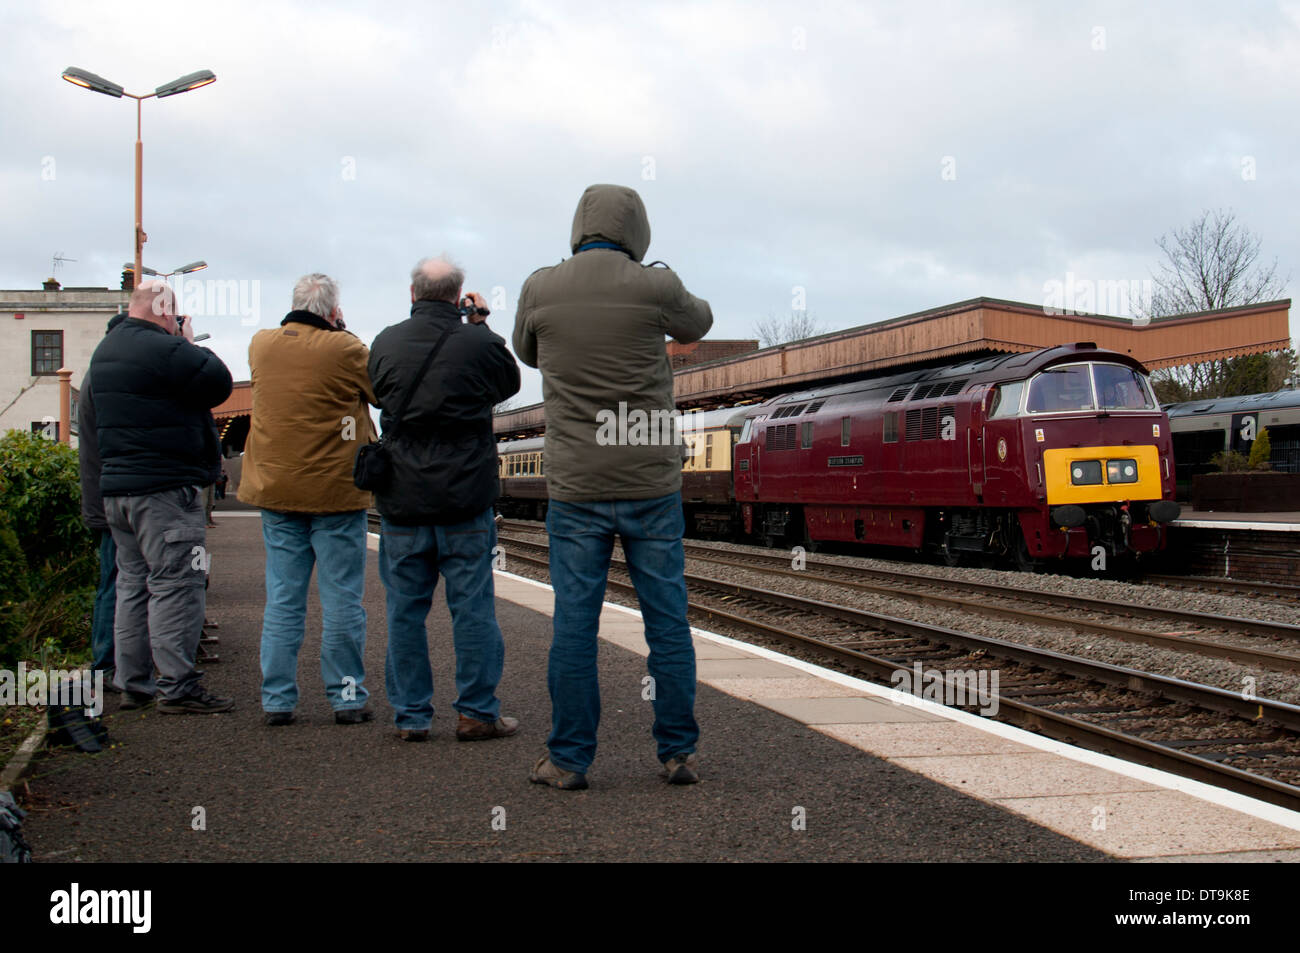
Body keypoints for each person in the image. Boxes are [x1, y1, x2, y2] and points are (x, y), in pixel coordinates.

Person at [514, 184, 713, 789]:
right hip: (649, 481)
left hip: (576, 487)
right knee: (667, 621)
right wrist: (662, 276)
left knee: (575, 625)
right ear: (637, 229)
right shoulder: (654, 285)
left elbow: (525, 350)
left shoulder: (540, 285)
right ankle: (677, 752)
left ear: (578, 226)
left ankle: (569, 760)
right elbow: (699, 323)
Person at [368, 256, 520, 742]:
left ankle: (412, 715)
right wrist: (480, 323)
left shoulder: (385, 342)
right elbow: (509, 383)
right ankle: (476, 712)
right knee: (473, 608)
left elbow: (377, 394)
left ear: (412, 294)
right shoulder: (479, 342)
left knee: (404, 611)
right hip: (465, 498)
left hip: (403, 500)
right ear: (460, 296)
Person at [238, 273, 377, 726]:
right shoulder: (345, 348)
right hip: (335, 493)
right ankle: (347, 698)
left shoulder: (261, 344)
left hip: (277, 491)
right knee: (341, 601)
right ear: (334, 311)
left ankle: (277, 700)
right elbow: (379, 390)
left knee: (283, 598)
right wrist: (343, 331)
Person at [90, 281, 234, 713]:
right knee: (177, 585)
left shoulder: (106, 351)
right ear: (165, 312)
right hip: (164, 490)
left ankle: (133, 682)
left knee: (133, 585)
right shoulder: (164, 349)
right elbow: (218, 382)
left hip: (118, 492)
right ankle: (179, 686)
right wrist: (188, 342)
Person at [77, 312, 128, 692]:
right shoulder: (108, 378)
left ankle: (106, 663)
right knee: (114, 582)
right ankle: (106, 665)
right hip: (111, 498)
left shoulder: (95, 374)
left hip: (100, 496)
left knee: (110, 581)